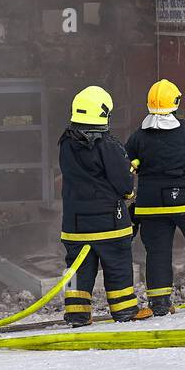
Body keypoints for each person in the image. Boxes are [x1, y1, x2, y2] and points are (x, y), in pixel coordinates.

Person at [125, 79, 185, 315]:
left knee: (157, 252)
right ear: (176, 102)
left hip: (151, 206)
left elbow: (127, 162)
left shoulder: (138, 136)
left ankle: (159, 304)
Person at [58, 85, 151, 326]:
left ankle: (76, 314)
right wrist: (129, 185)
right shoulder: (108, 144)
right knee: (117, 265)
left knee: (77, 270)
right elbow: (121, 180)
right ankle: (125, 310)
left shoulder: (66, 144)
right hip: (108, 221)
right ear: (102, 114)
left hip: (75, 224)